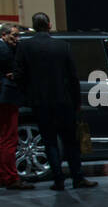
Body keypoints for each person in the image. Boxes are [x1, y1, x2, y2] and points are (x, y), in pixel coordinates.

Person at [13, 12, 96, 191]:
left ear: (34, 26)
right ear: (49, 25)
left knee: (49, 142)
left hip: (40, 103)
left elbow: (19, 76)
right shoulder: (62, 46)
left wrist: (28, 96)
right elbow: (73, 77)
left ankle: (58, 181)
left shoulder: (25, 47)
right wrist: (77, 101)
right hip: (64, 101)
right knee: (71, 142)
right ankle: (77, 178)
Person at [0, 23, 33, 190]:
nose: (17, 39)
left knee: (4, 139)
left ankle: (3, 176)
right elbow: (16, 72)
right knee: (9, 140)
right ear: (4, 35)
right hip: (6, 98)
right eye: (14, 36)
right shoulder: (3, 51)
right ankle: (11, 178)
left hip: (1, 98)